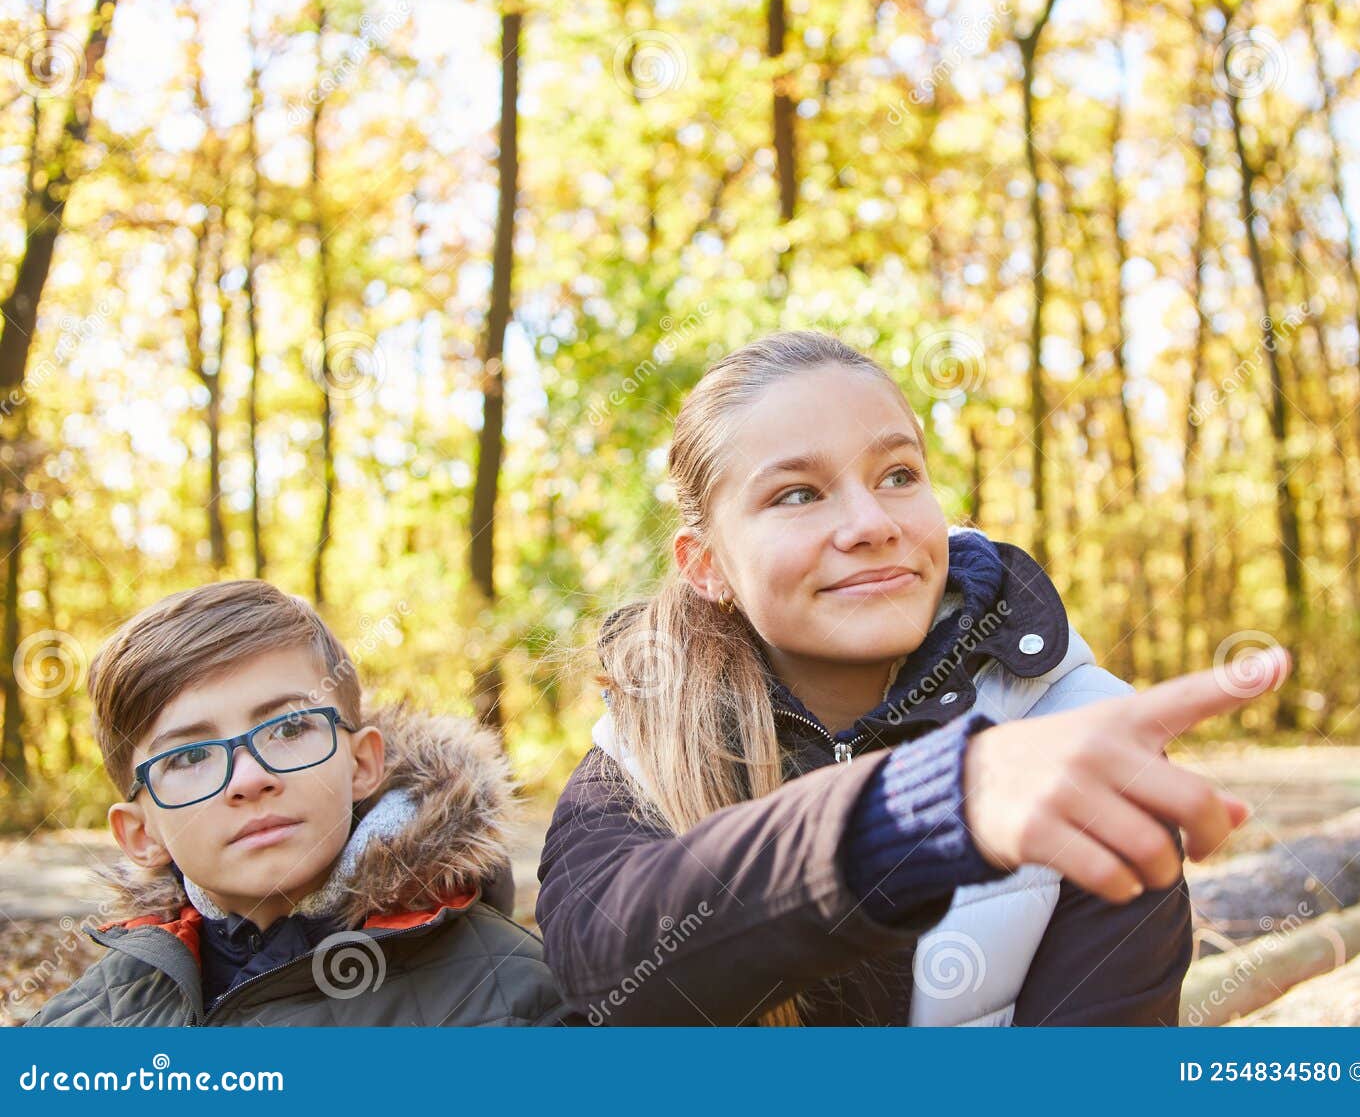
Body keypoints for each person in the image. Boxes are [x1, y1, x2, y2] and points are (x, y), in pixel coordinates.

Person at [536, 329, 1285, 1026]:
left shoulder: (1077, 732)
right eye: (798, 493)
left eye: (897, 474)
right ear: (706, 566)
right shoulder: (641, 747)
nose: (870, 522)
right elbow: (601, 970)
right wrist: (925, 807)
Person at [27, 579, 568, 1026]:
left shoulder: (516, 1006)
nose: (249, 777)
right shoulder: (74, 1029)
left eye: (288, 727)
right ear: (140, 835)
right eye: (190, 757)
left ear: (360, 764)